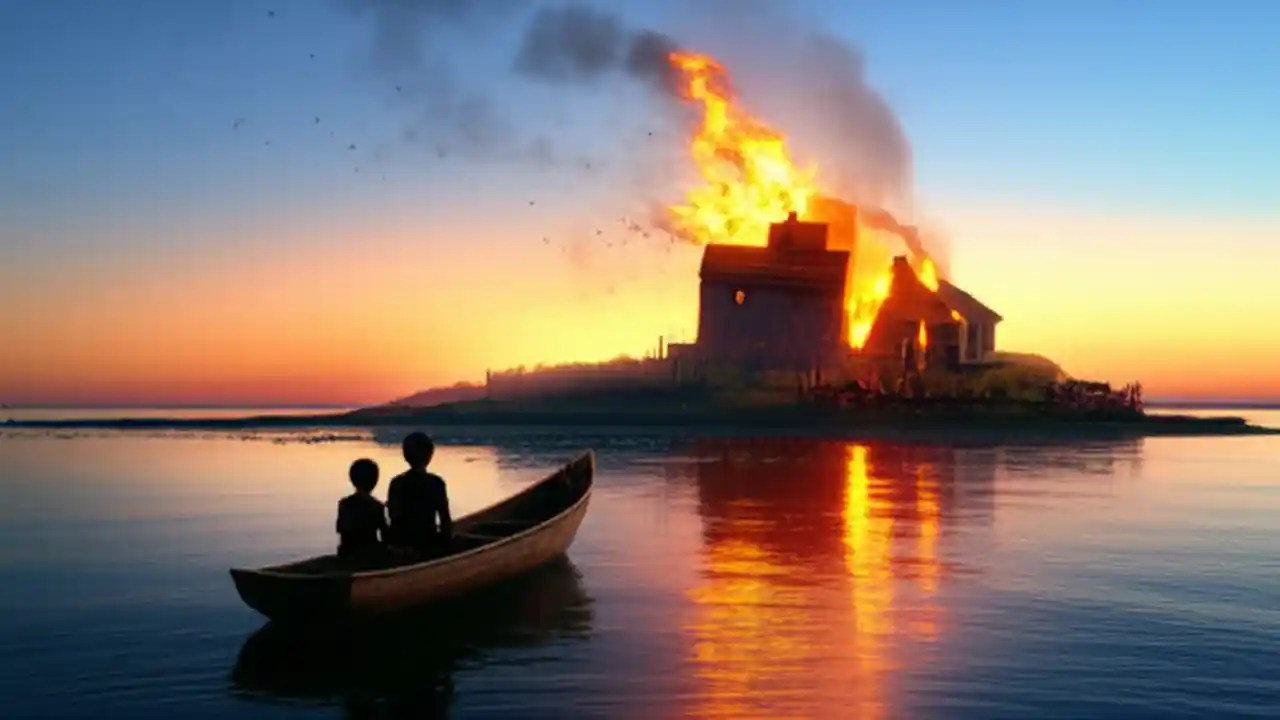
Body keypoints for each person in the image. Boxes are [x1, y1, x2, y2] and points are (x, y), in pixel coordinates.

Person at [387, 432, 452, 556]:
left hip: (399, 544)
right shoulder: (436, 483)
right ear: (429, 456)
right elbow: (445, 520)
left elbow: (393, 516)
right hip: (427, 544)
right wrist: (447, 546)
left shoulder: (396, 483)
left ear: (405, 456)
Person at [336, 458, 388, 557]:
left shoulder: (344, 504)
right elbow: (385, 535)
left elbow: (342, 532)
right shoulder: (377, 507)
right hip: (371, 554)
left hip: (348, 553)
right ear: (375, 481)